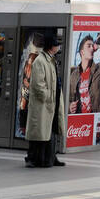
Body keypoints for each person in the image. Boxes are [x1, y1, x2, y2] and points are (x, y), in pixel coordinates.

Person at [26, 32, 65, 167]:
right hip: (43, 104)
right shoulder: (40, 61)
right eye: (57, 45)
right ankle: (33, 159)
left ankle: (51, 157)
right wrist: (48, 97)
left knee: (52, 130)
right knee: (39, 133)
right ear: (51, 47)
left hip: (52, 103)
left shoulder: (51, 59)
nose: (59, 47)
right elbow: (38, 84)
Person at [68, 33, 100, 115]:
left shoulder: (99, 70)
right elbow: (68, 98)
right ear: (82, 52)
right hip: (79, 120)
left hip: (94, 118)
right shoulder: (73, 75)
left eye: (92, 46)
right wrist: (69, 107)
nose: (92, 48)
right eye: (89, 46)